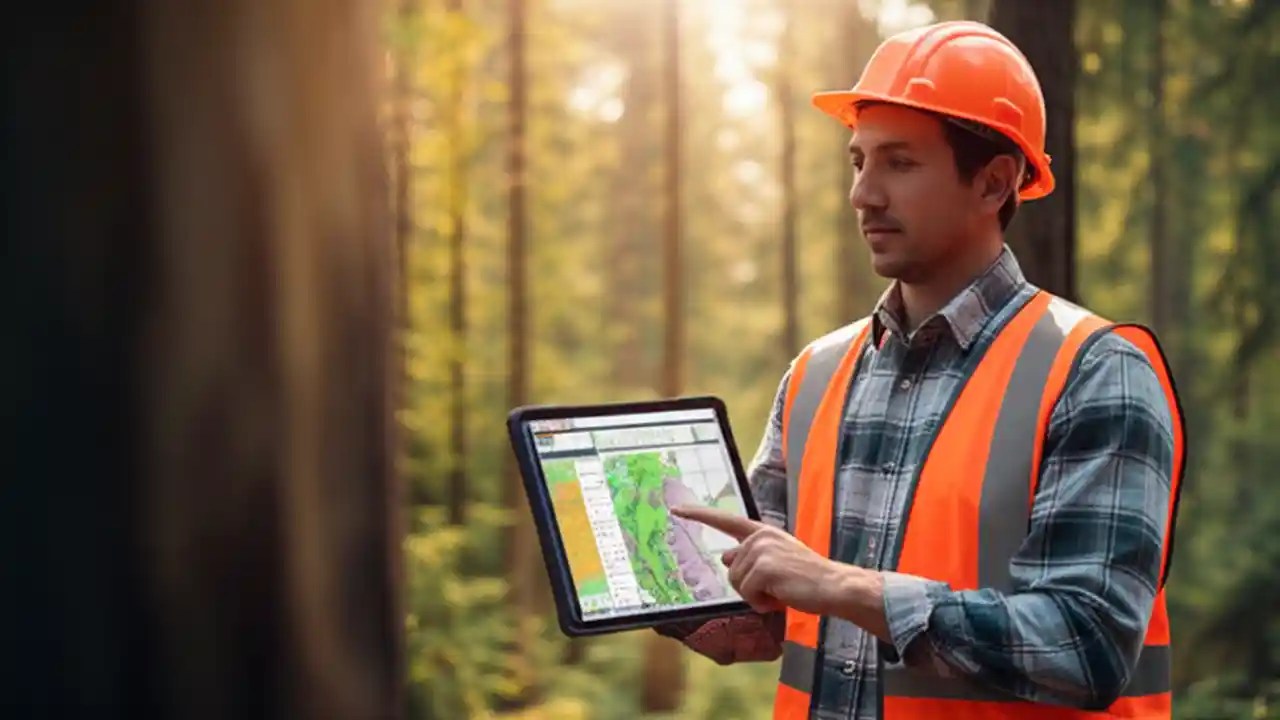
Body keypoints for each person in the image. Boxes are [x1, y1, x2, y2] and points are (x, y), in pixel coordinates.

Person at [656, 20, 1186, 720]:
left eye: (899, 164)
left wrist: (850, 590)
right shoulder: (815, 376)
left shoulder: (1096, 373)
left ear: (995, 183)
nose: (863, 195)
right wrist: (664, 583)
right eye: (858, 162)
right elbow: (768, 614)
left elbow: (1086, 645)